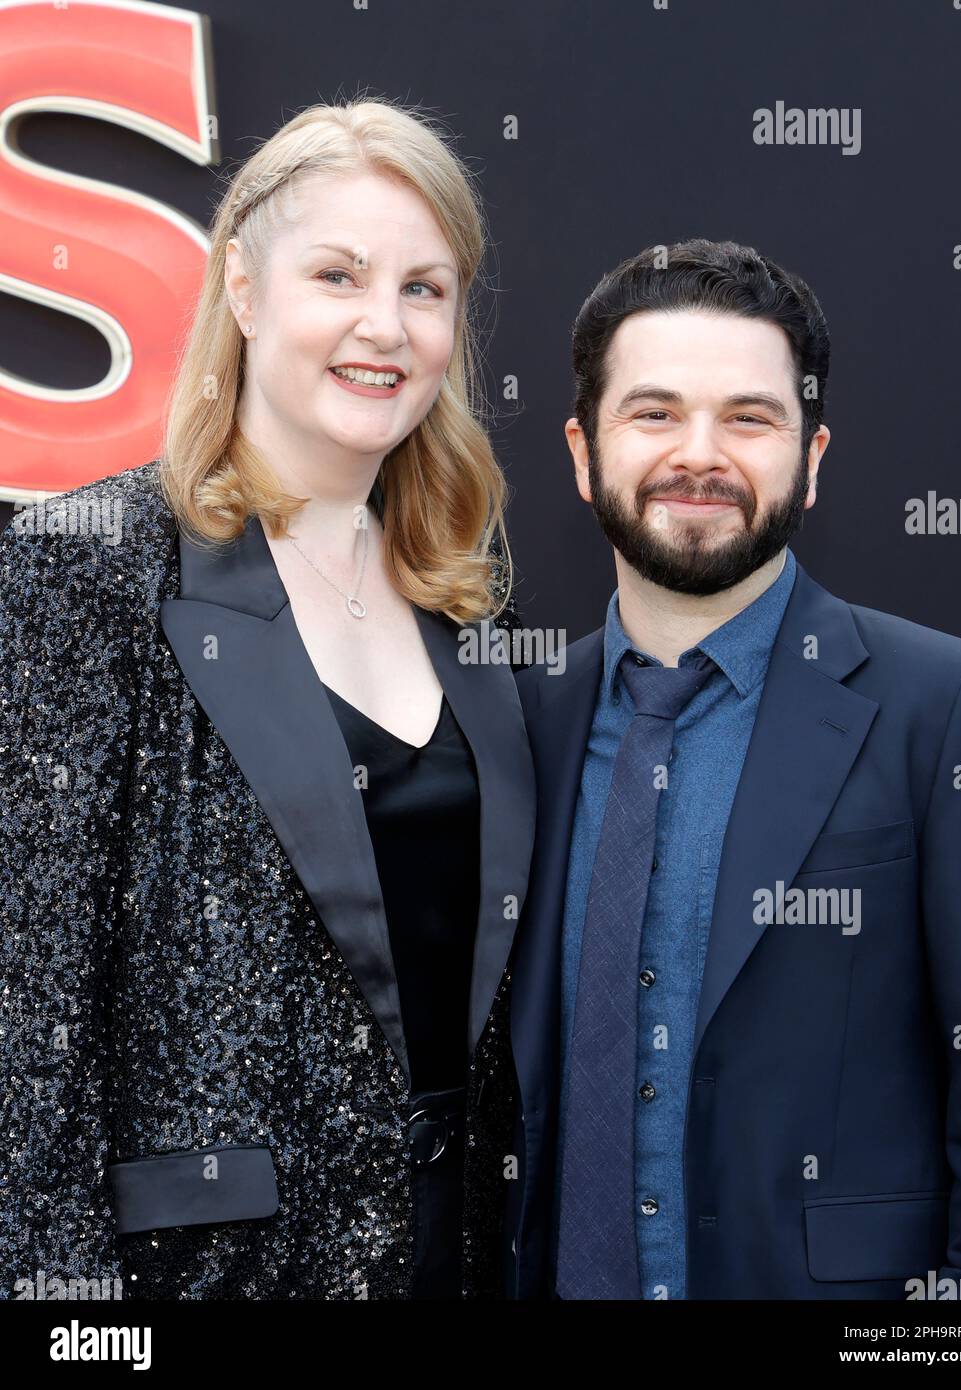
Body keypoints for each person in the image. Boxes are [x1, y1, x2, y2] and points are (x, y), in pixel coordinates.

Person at [0, 97, 534, 1301]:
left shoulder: (462, 607)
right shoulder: (85, 562)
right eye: (338, 274)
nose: (381, 326)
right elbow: (22, 1028)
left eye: (424, 287)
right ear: (241, 289)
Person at [507, 238, 961, 1300]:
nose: (700, 455)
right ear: (580, 449)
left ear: (813, 454)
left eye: (749, 417)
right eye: (653, 413)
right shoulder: (518, 722)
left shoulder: (944, 708)